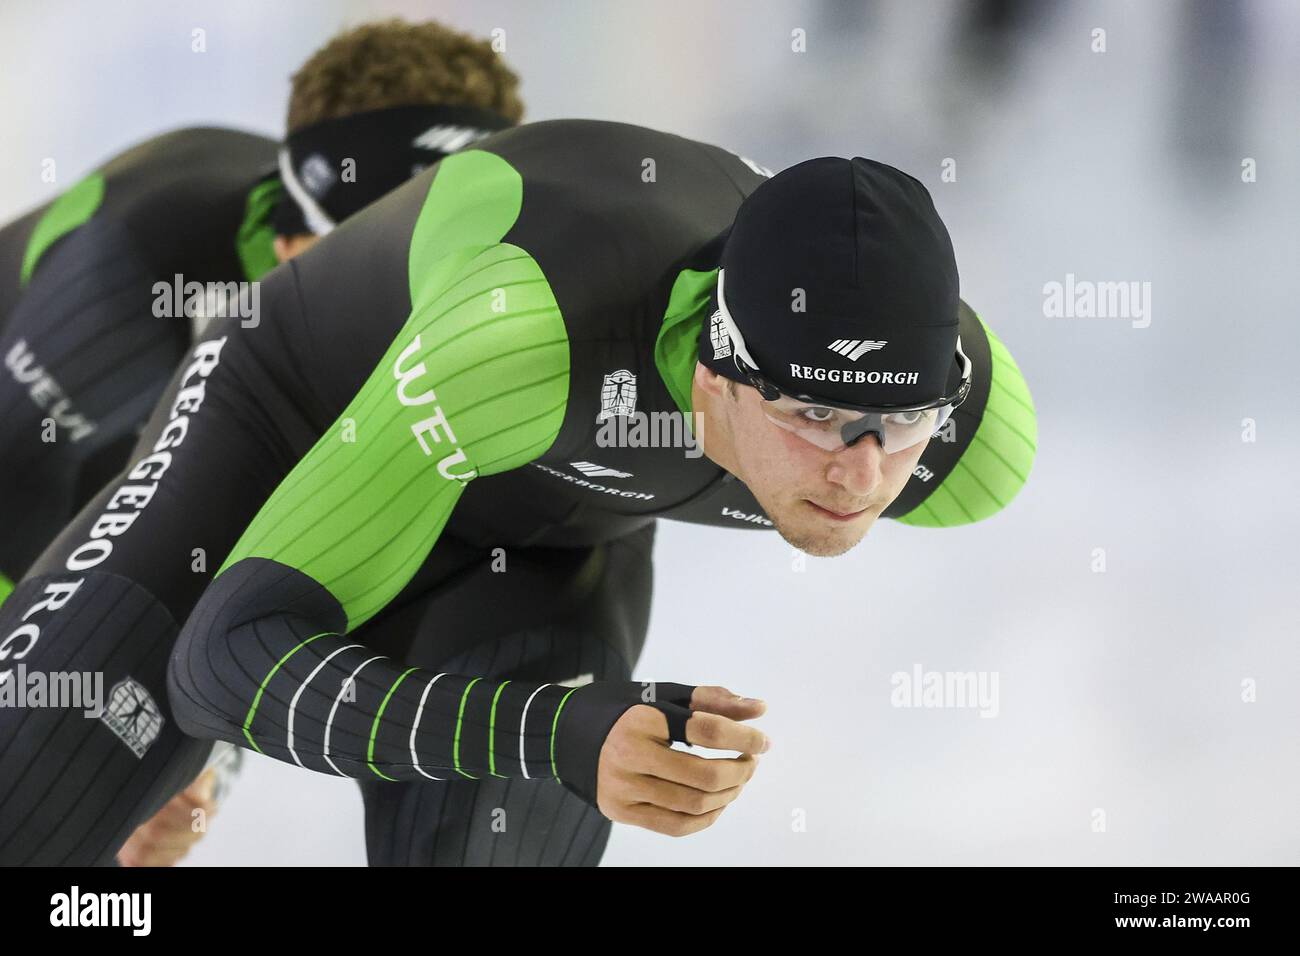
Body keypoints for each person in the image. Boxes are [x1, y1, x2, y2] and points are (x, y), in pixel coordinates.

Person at [0, 119, 1036, 866]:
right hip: (293, 424)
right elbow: (218, 667)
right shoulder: (525, 335)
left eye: (899, 423)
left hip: (542, 529)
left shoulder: (972, 448)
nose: (859, 472)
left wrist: (562, 733)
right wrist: (550, 731)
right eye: (813, 415)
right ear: (713, 384)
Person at [0, 18, 523, 866]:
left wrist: (204, 764)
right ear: (294, 231)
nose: (401, 310)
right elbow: (17, 478)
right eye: (374, 263)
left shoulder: (414, 331)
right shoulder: (148, 262)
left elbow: (252, 571)